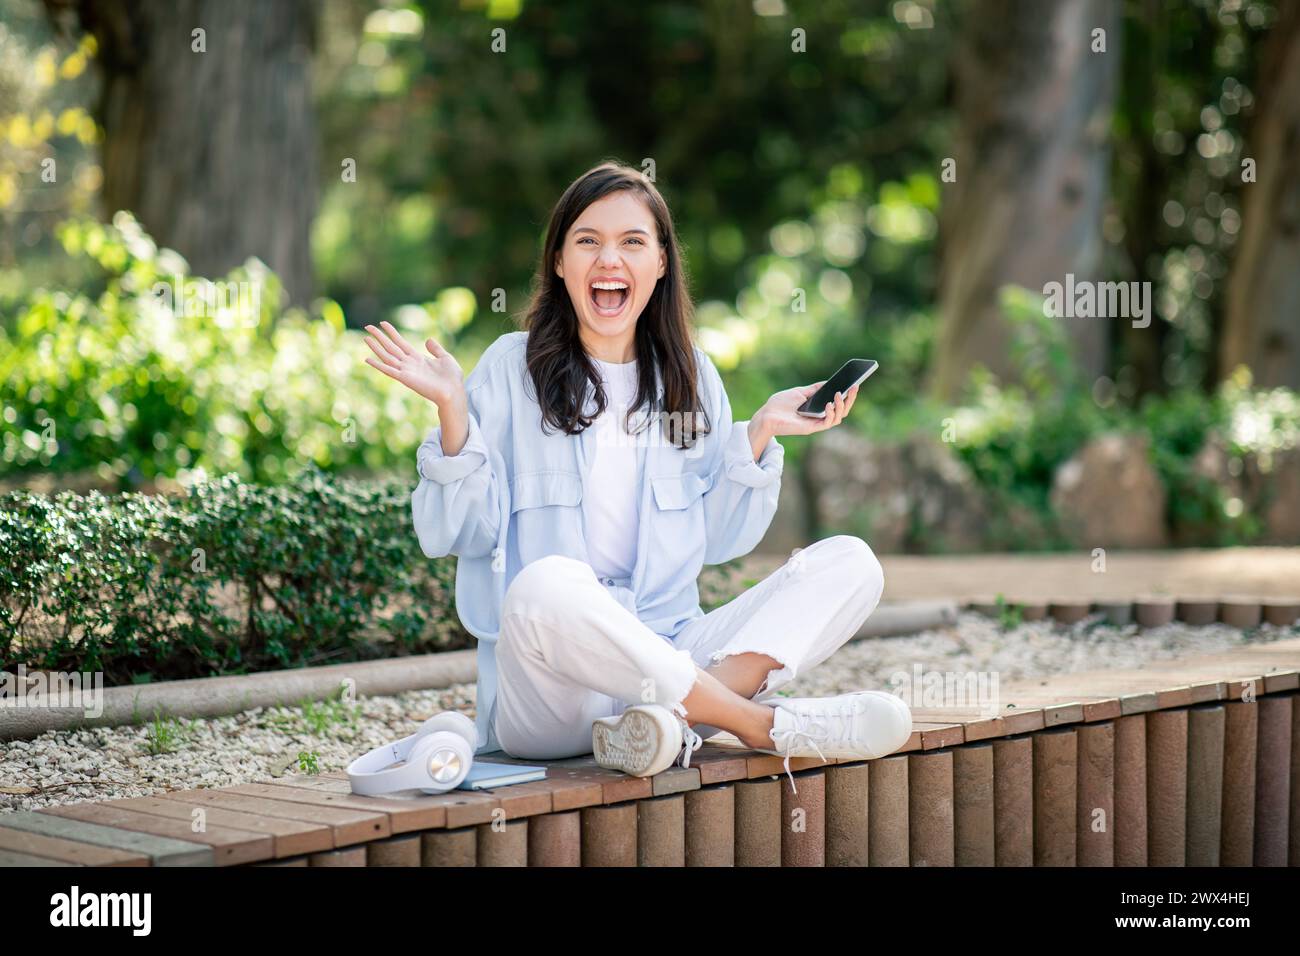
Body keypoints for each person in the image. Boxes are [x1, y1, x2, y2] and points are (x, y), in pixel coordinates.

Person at [363, 160, 912, 794]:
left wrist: (759, 431)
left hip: (670, 653)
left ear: (660, 265)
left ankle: (663, 725)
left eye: (632, 242)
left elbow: (718, 539)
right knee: (547, 582)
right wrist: (453, 413)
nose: (608, 259)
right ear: (560, 264)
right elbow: (458, 533)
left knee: (852, 562)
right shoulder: (511, 368)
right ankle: (754, 725)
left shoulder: (691, 378)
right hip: (553, 694)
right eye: (587, 241)